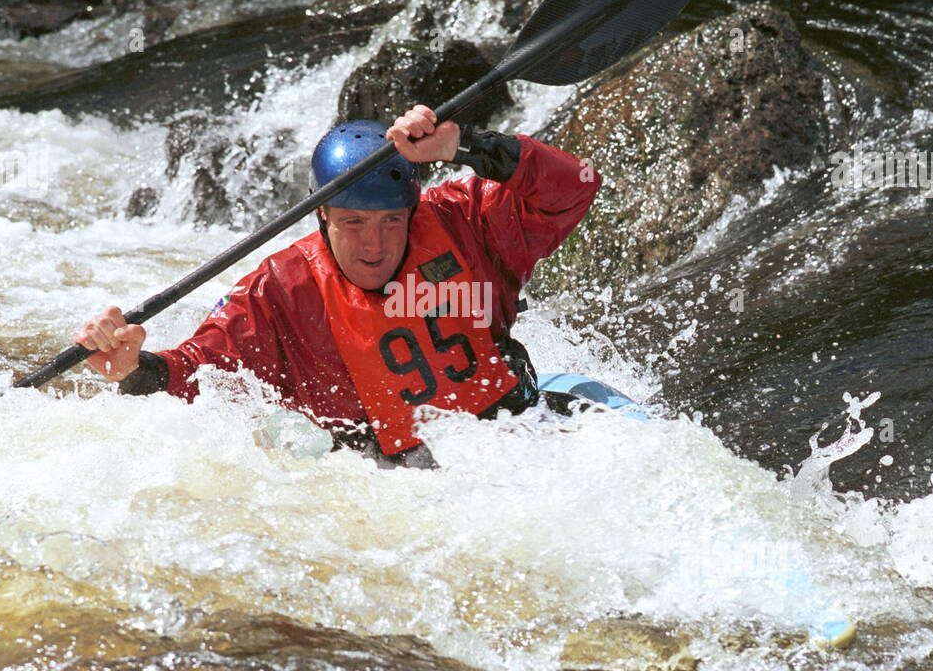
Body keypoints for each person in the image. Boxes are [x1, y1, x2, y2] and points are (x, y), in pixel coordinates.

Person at [74, 104, 599, 466]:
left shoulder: (464, 220)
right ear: (322, 215)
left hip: (523, 432)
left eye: (392, 221)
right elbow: (201, 374)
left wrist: (466, 146)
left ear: (412, 208)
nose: (375, 244)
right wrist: (135, 369)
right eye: (354, 222)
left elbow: (574, 188)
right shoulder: (281, 290)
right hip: (396, 477)